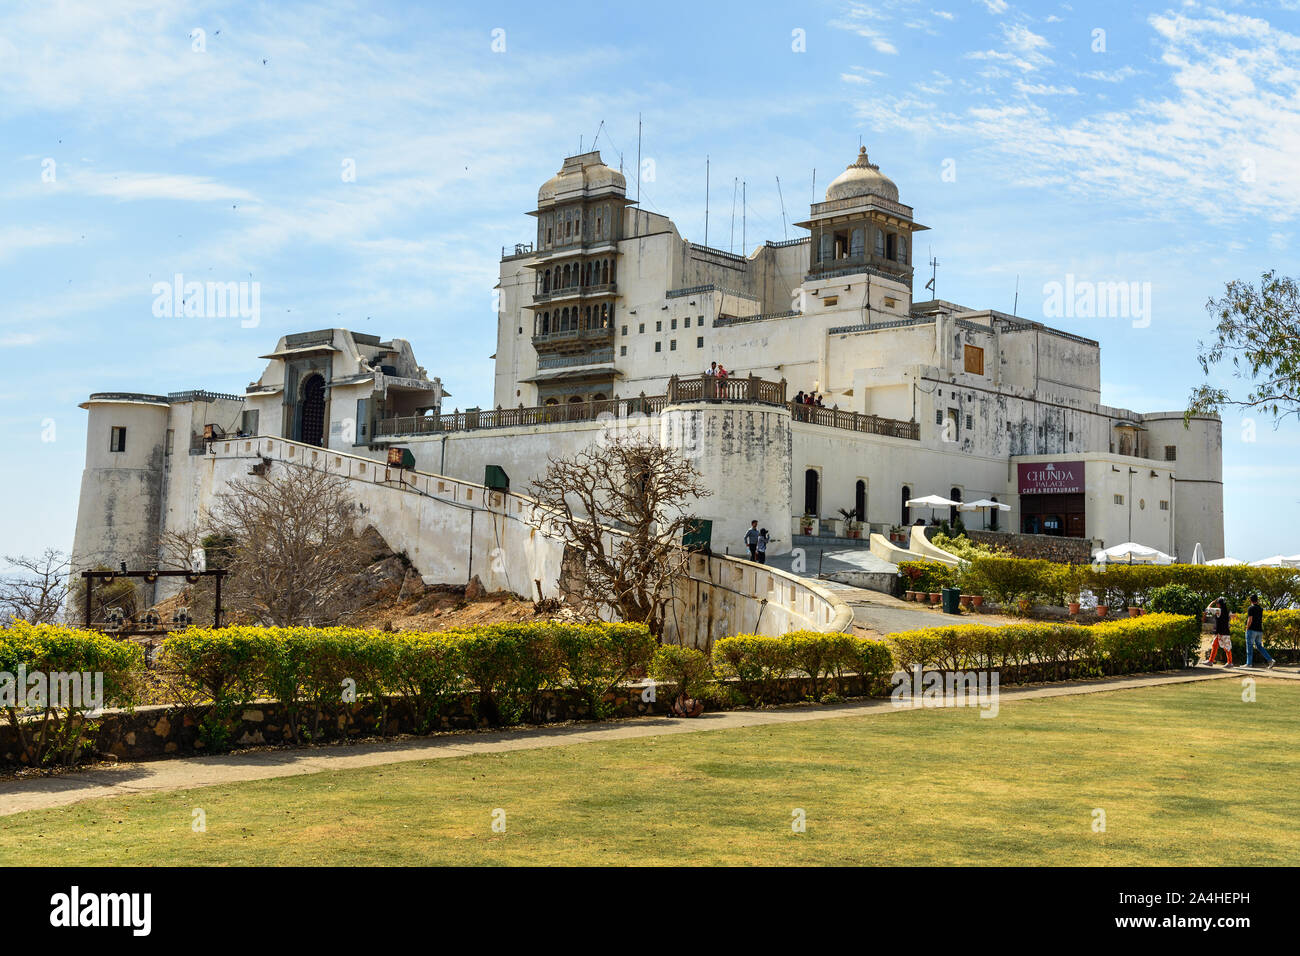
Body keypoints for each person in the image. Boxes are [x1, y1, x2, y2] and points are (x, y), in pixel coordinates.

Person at [1243, 594, 1275, 669]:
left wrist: (1247, 628)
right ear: (1257, 600)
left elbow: (1250, 619)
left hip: (1252, 630)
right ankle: (1270, 660)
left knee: (1249, 646)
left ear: (1251, 600)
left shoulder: (1250, 608)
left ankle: (1249, 664)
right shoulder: (1260, 609)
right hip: (1259, 630)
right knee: (1259, 646)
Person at [1204, 597, 1234, 667]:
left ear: (1219, 604)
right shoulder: (1227, 611)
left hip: (1221, 632)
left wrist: (1212, 602)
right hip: (1224, 631)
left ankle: (1230, 662)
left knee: (1226, 647)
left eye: (1217, 603)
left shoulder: (1218, 610)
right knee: (1216, 645)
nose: (1217, 605)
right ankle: (1210, 661)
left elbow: (1207, 609)